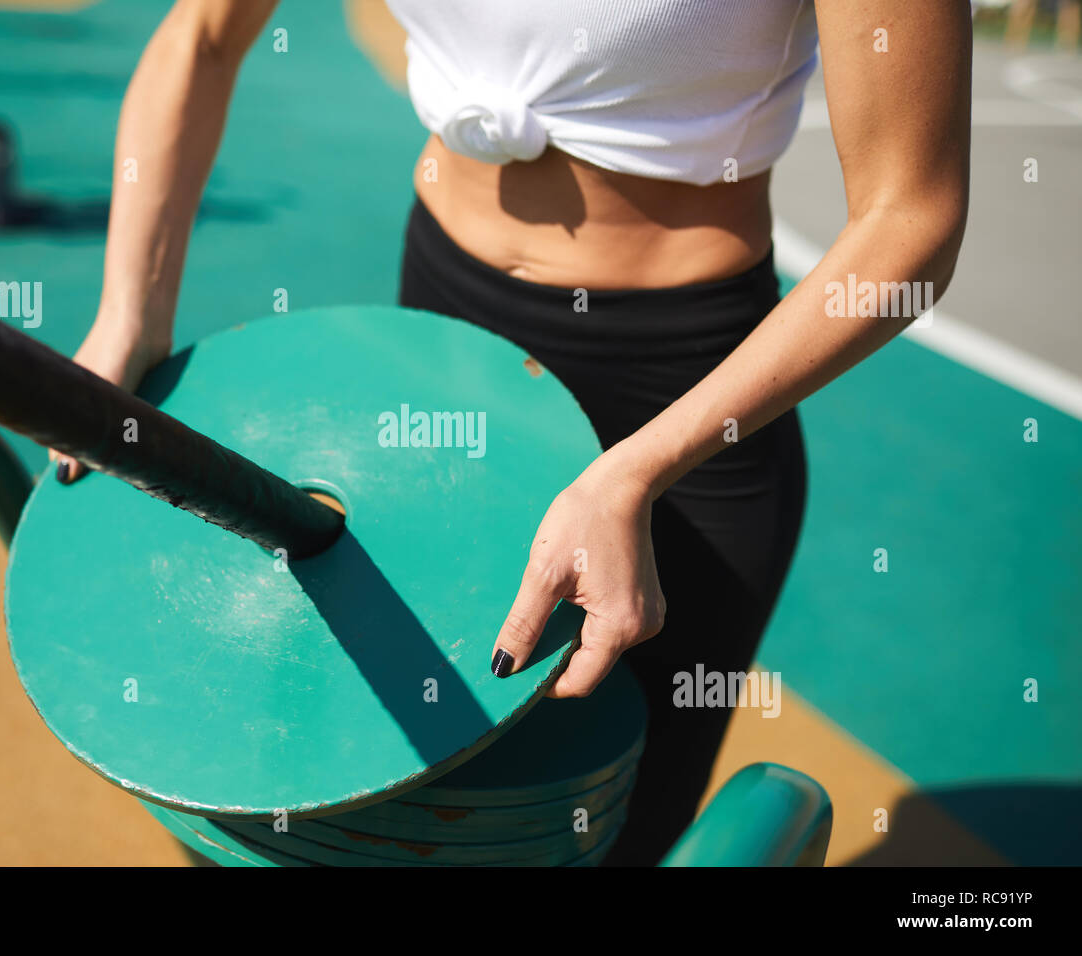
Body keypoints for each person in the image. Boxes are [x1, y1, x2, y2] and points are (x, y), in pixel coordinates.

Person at [49, 0, 972, 865]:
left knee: (614, 836)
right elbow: (203, 34)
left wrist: (634, 472)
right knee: (384, 813)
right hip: (436, 349)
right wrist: (129, 311)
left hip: (682, 403)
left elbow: (912, 217)